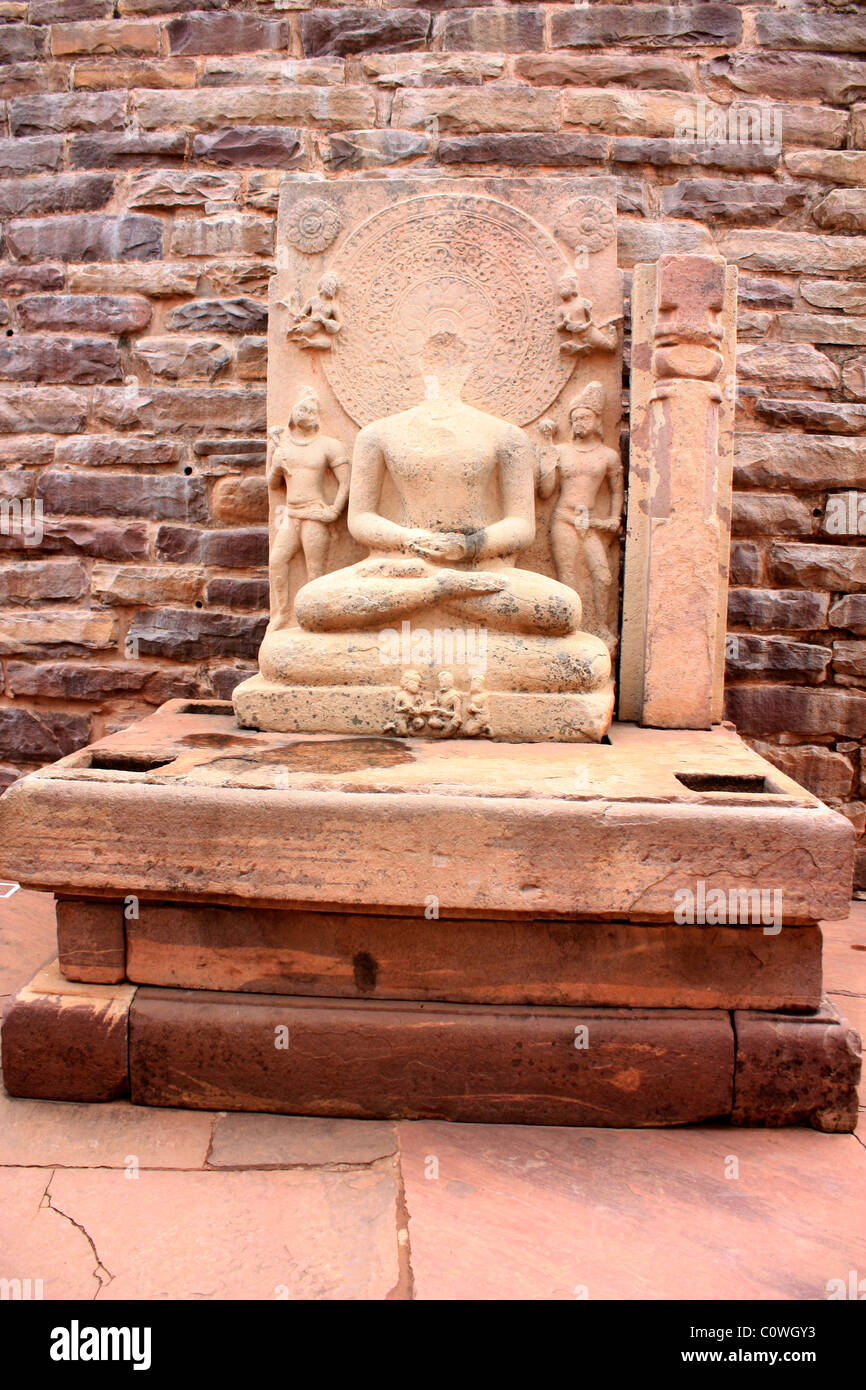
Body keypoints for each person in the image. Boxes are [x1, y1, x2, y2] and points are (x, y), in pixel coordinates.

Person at [267, 388, 349, 629]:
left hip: (314, 514)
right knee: (277, 561)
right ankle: (282, 613)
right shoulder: (282, 445)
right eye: (303, 409)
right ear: (293, 414)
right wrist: (275, 466)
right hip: (291, 514)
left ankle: (314, 619)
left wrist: (333, 510)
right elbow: (273, 485)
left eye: (312, 411)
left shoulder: (328, 446)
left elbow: (346, 481)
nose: (308, 414)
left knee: (315, 571)